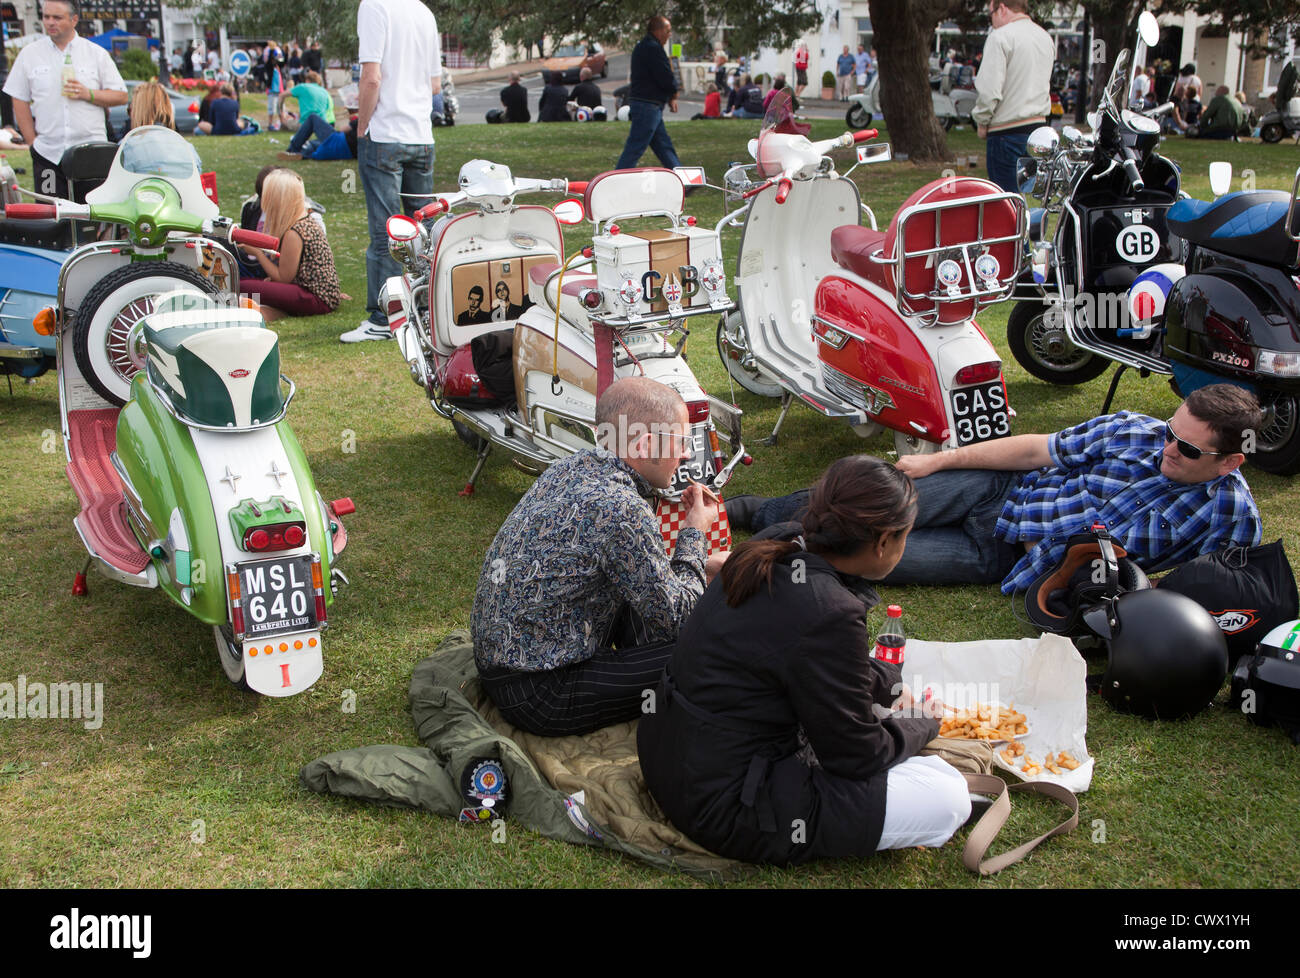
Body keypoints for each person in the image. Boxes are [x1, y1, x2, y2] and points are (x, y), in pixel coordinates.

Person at [638, 455, 970, 864]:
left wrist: (884, 679)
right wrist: (922, 722)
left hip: (668, 760)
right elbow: (857, 756)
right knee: (948, 797)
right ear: (883, 542)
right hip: (727, 804)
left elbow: (798, 652)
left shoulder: (778, 542)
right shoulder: (827, 609)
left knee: (918, 757)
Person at [728, 385, 1264, 595]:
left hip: (1001, 559)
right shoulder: (1132, 429)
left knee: (853, 555)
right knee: (857, 504)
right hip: (1000, 492)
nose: (1168, 447)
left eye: (1189, 450)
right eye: (1171, 433)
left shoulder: (1233, 516)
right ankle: (745, 510)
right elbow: (1035, 451)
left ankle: (738, 562)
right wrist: (941, 461)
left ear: (1231, 461)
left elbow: (1218, 594)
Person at [472, 377, 724, 736]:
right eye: (681, 442)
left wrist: (698, 565)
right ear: (646, 443)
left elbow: (633, 568)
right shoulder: (620, 507)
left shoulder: (573, 466)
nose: (685, 454)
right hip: (538, 693)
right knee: (704, 649)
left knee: (670, 613)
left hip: (507, 662)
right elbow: (679, 618)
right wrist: (694, 532)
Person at [339, 0, 440, 343]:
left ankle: (383, 317)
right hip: (420, 134)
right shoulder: (424, 13)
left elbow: (371, 77)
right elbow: (435, 84)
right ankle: (430, 308)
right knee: (424, 228)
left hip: (384, 134)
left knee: (386, 231)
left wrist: (362, 125)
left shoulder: (374, 7)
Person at [2, 0, 127, 200]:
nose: (50, 22)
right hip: (48, 153)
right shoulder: (30, 54)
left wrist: (89, 94)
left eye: (57, 17)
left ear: (74, 19)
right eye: (46, 17)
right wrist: (32, 141)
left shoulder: (95, 53)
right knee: (51, 215)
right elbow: (18, 98)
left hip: (90, 151)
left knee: (91, 215)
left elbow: (121, 95)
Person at [972, 0, 1053, 193]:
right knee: (1030, 199)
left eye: (991, 14)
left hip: (1006, 130)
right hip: (1038, 130)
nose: (992, 21)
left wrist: (982, 122)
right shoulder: (1045, 37)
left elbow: (989, 90)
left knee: (1006, 201)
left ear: (1001, 8)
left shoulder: (1000, 38)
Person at [241, 169, 344, 319]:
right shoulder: (303, 221)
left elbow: (283, 277)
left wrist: (257, 252)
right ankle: (270, 311)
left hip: (315, 298)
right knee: (247, 284)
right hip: (317, 294)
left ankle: (269, 312)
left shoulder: (294, 232)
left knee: (241, 286)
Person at [615, 15, 682, 170]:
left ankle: (682, 178)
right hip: (648, 104)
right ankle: (616, 179)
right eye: (668, 31)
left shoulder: (644, 47)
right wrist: (674, 92)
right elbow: (665, 76)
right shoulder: (653, 48)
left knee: (663, 146)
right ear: (658, 31)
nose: (669, 35)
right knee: (635, 147)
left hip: (648, 104)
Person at [277, 70, 336, 156]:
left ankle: (292, 149)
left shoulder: (303, 87)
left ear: (307, 80)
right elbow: (327, 109)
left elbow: (282, 95)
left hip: (305, 123)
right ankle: (305, 147)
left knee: (287, 120)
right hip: (322, 123)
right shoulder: (324, 92)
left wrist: (281, 114)